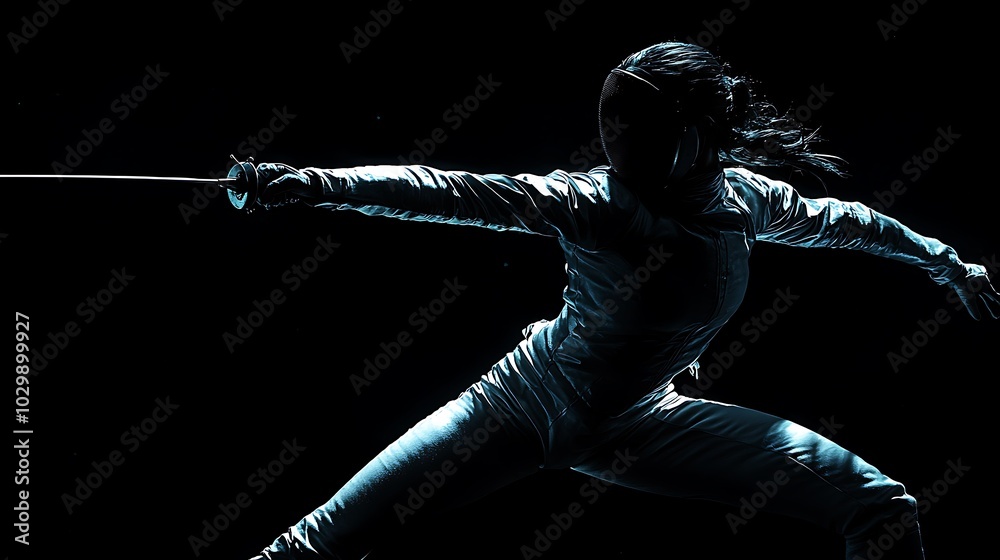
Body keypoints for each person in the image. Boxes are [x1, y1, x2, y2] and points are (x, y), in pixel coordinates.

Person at [246, 41, 998, 560]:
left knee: (881, 509)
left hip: (641, 424)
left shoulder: (747, 203)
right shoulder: (595, 203)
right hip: (518, 403)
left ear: (699, 131)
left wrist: (946, 263)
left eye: (634, 124)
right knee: (310, 549)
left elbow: (853, 224)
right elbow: (455, 193)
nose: (615, 142)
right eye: (609, 121)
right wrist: (315, 184)